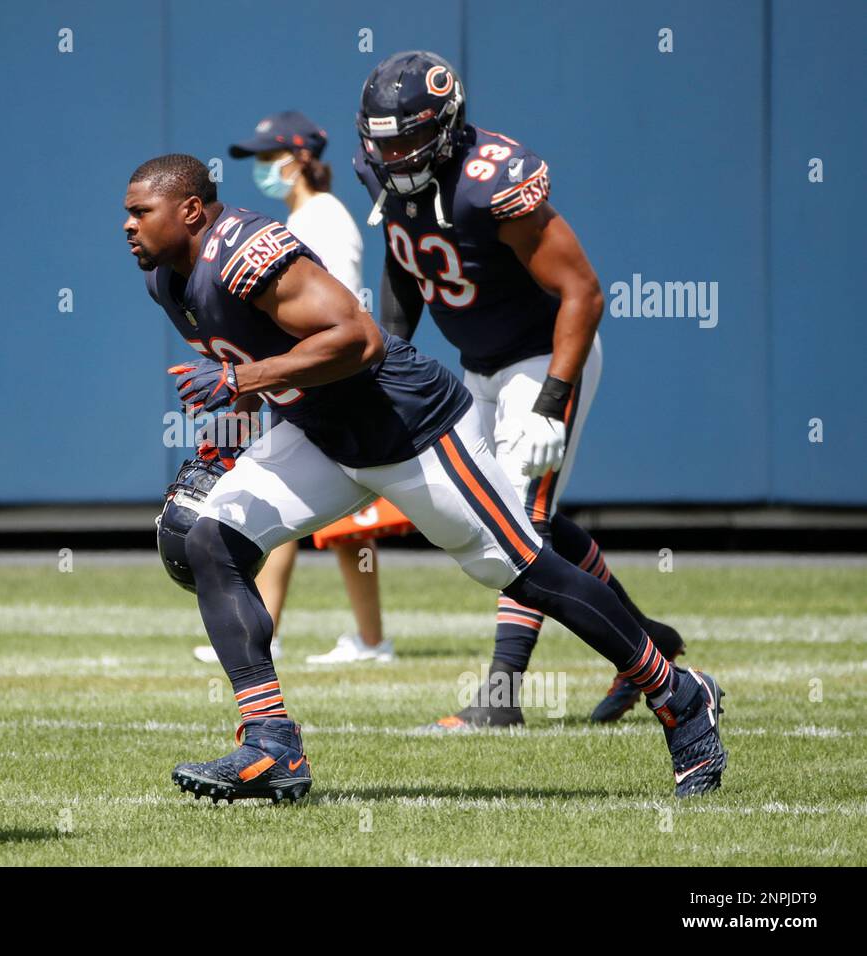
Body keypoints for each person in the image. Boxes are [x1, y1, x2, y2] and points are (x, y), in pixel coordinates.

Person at [123, 154, 727, 802]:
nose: (128, 227)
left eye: (139, 212)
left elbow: (356, 338)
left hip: (409, 428)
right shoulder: (170, 280)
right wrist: (223, 446)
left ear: (190, 210)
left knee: (526, 569)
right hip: (322, 433)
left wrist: (243, 381)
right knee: (211, 540)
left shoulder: (246, 252)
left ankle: (678, 695)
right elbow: (247, 365)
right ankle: (270, 743)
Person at [353, 51, 686, 729]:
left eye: (411, 138)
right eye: (385, 141)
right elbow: (401, 250)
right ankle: (651, 648)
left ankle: (502, 697)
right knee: (502, 513)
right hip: (478, 363)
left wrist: (551, 401)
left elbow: (582, 292)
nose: (397, 154)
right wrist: (392, 351)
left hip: (543, 357)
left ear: (447, 126)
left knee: (519, 527)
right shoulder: (382, 173)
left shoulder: (489, 181)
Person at [189, 110, 401, 666]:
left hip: (327, 382)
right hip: (293, 380)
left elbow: (342, 310)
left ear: (300, 158)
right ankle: (280, 630)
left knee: (348, 525)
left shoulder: (324, 217)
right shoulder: (299, 216)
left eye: (268, 157)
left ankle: (353, 638)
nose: (262, 169)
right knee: (288, 509)